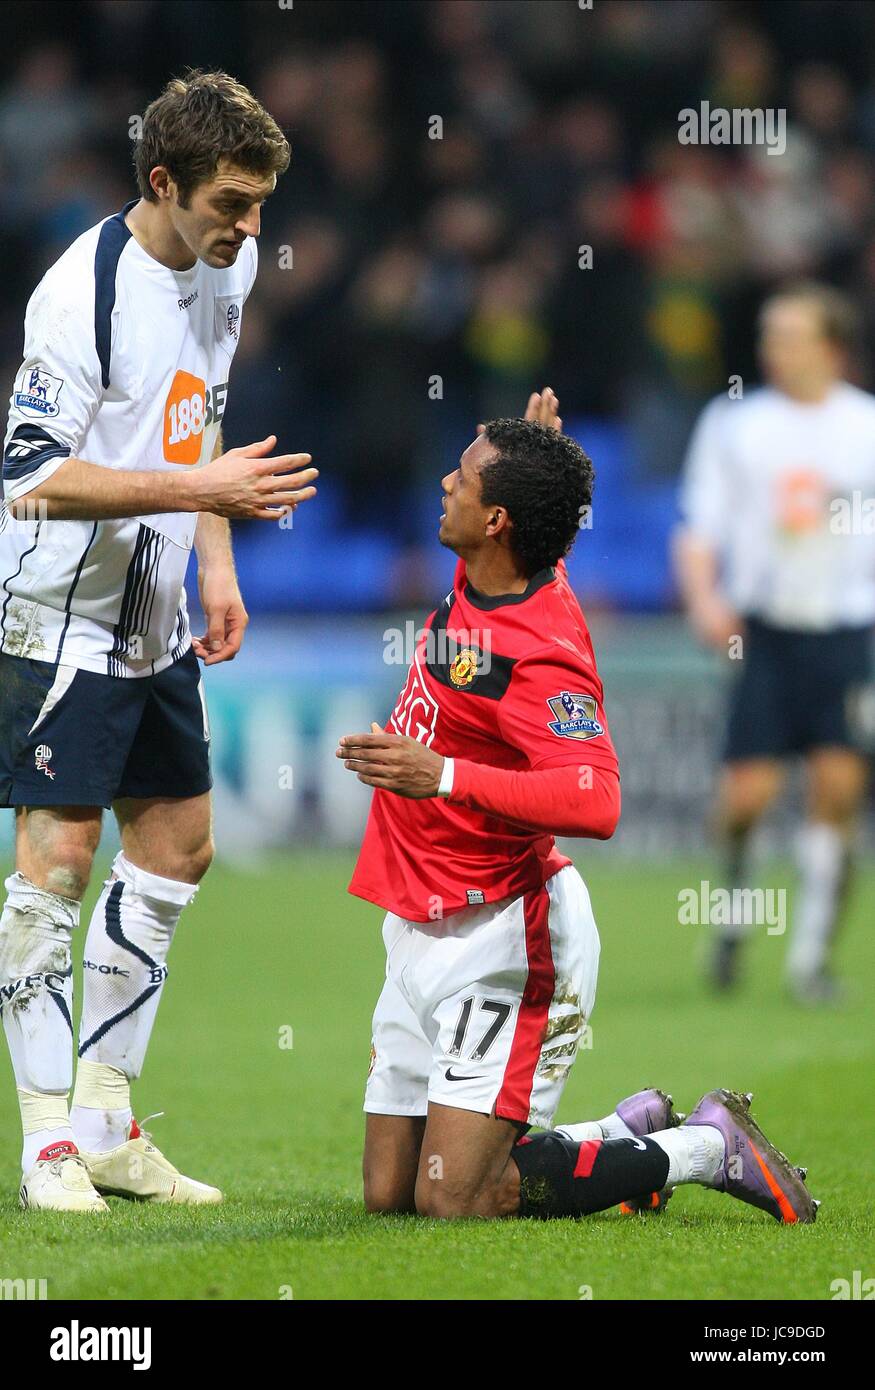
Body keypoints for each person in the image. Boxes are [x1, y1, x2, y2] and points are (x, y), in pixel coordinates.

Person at [337, 389, 815, 1224]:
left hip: (501, 934)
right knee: (389, 1196)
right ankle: (623, 1132)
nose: (447, 482)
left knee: (456, 1198)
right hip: (417, 915)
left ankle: (703, 1147)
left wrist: (440, 774)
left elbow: (595, 801)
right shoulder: (490, 566)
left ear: (496, 523)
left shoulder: (540, 656)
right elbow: (531, 524)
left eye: (466, 476)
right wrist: (536, 456)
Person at [0, 70, 317, 1212]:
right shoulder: (79, 295)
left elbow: (199, 411)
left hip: (156, 612)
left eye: (262, 204)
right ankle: (45, 1147)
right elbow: (30, 475)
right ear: (162, 182)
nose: (251, 229)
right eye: (232, 203)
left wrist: (214, 556)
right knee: (57, 868)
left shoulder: (220, 273)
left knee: (177, 847)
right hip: (61, 619)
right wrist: (199, 488)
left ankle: (106, 1120)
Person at [675, 283, 875, 1001]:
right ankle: (731, 915)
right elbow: (696, 525)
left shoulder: (865, 426)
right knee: (745, 797)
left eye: (790, 334)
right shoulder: (734, 424)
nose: (773, 349)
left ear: (832, 346)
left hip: (846, 630)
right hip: (763, 629)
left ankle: (810, 962)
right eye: (768, 334)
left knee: (836, 789)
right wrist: (704, 599)